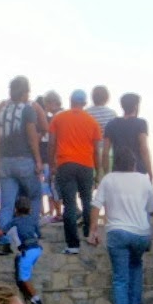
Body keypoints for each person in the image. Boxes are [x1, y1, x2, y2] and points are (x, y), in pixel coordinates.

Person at [87, 149, 153, 304]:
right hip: (140, 233)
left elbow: (96, 204)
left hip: (117, 232)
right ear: (133, 164)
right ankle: (135, 302)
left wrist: (93, 228)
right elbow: (152, 207)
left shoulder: (109, 179)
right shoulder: (143, 179)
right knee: (136, 263)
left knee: (120, 278)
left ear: (115, 164)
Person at [0, 76, 43, 255]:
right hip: (24, 159)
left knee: (7, 204)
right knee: (34, 196)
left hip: (4, 161)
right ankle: (30, 237)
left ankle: (3, 241)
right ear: (26, 91)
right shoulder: (27, 109)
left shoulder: (1, 109)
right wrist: (38, 159)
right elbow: (32, 135)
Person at [48, 89, 102, 255]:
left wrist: (52, 164)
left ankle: (72, 244)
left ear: (70, 101)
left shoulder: (59, 118)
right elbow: (96, 150)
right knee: (87, 200)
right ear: (85, 103)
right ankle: (87, 233)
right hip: (86, 164)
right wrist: (98, 171)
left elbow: (52, 143)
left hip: (66, 163)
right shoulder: (92, 122)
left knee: (69, 204)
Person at [4, 196, 44, 304]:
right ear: (30, 209)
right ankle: (32, 301)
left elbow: (1, 232)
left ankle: (37, 300)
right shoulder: (33, 220)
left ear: (15, 209)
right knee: (23, 276)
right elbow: (39, 235)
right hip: (37, 249)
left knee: (24, 278)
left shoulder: (14, 221)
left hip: (27, 251)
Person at [103, 93, 153, 180]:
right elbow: (143, 149)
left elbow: (105, 152)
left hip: (117, 170)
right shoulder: (141, 123)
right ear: (136, 106)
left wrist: (106, 174)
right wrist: (150, 172)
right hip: (138, 170)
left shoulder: (111, 124)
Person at [39, 91, 63, 222]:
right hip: (53, 158)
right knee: (52, 187)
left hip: (52, 158)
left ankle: (56, 213)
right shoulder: (56, 117)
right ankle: (55, 212)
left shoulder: (56, 118)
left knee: (53, 187)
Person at [86, 85, 117, 178]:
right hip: (108, 152)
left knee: (90, 184)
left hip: (90, 152)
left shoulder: (86, 113)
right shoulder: (112, 113)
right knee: (107, 181)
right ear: (107, 98)